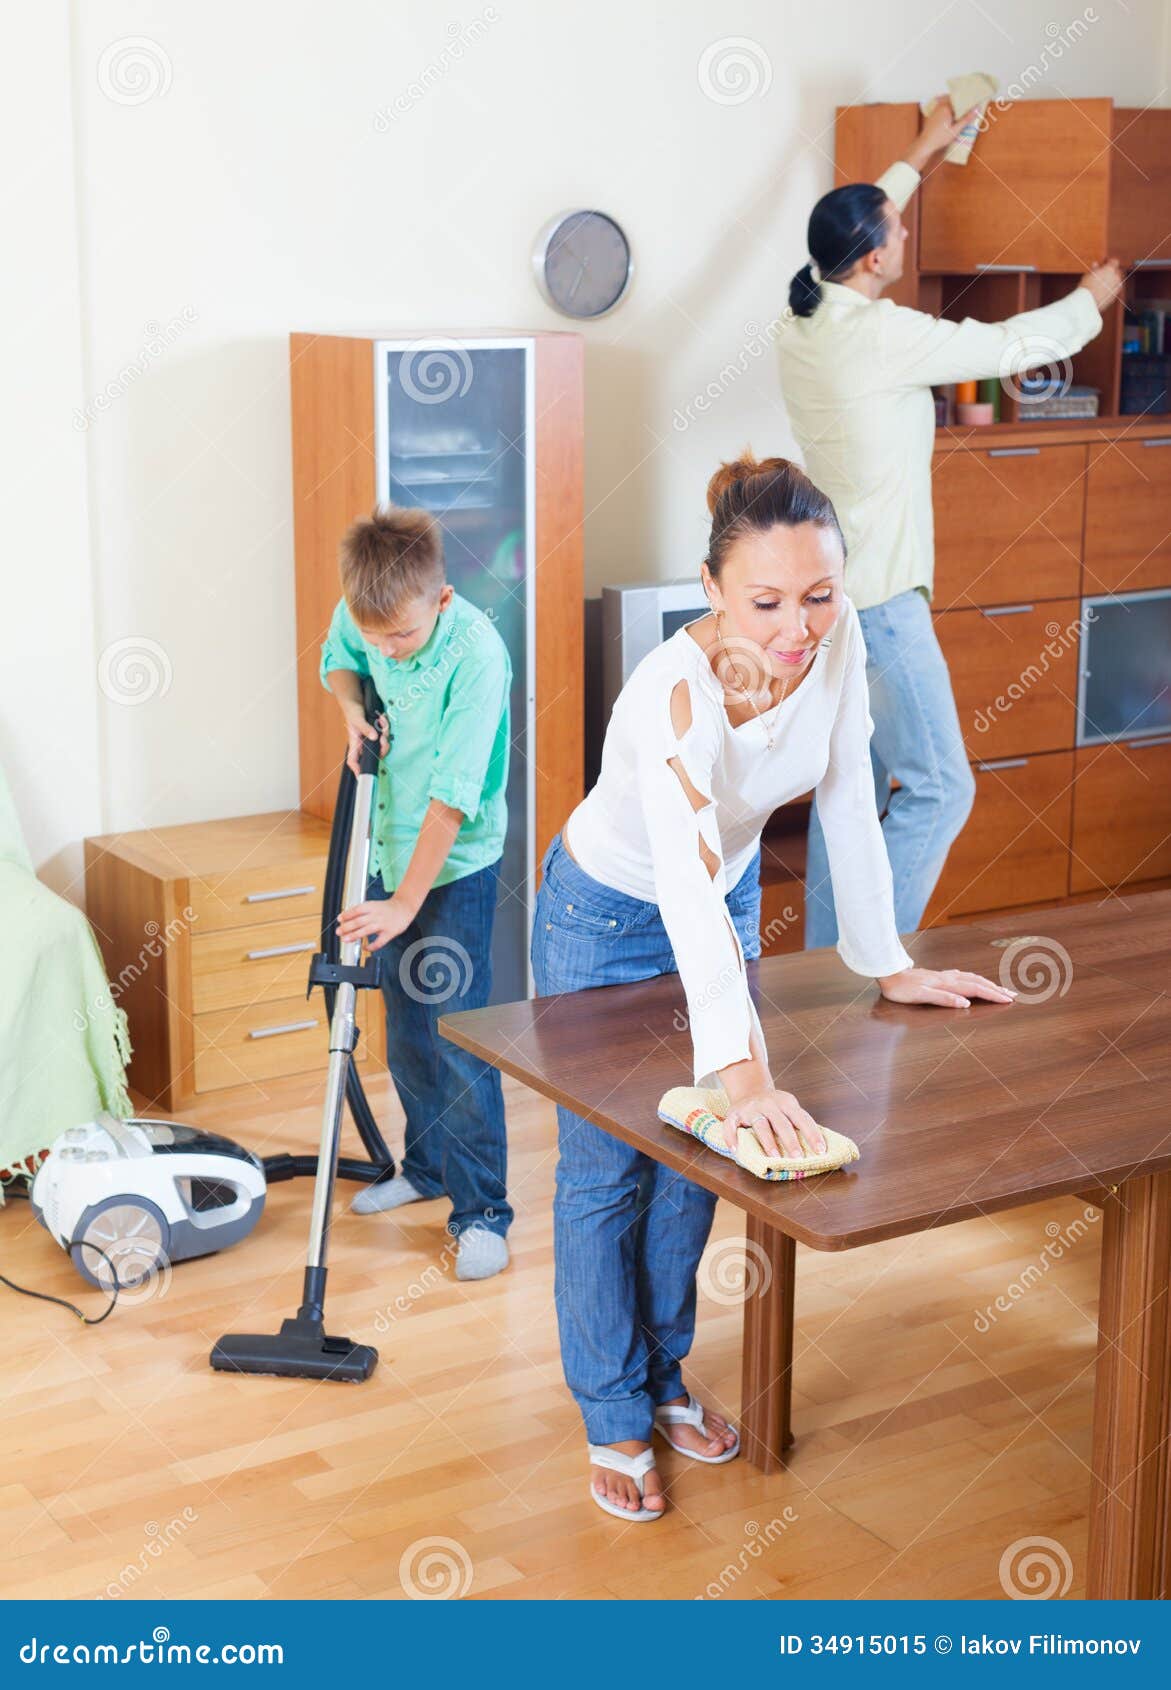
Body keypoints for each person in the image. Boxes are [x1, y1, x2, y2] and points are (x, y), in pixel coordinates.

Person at [531, 452, 1017, 1523]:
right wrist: (742, 1069)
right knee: (608, 1171)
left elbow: (848, 789)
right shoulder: (669, 694)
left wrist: (886, 958)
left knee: (702, 1161)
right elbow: (686, 893)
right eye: (764, 602)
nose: (795, 627)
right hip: (604, 915)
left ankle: (662, 1379)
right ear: (709, 590)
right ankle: (609, 1408)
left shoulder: (833, 646)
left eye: (818, 594)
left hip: (725, 895)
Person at [776, 97, 1124, 950]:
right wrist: (1089, 300)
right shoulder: (887, 336)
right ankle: (871, 955)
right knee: (939, 786)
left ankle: (826, 971)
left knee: (846, 787)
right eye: (895, 230)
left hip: (824, 603)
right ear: (871, 256)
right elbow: (1005, 346)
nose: (905, 236)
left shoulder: (801, 318)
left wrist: (924, 151)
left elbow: (862, 220)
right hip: (884, 599)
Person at [319, 504, 514, 1281]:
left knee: (455, 1038)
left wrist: (404, 904)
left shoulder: (478, 654)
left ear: (439, 599)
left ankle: (483, 1214)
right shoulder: (368, 609)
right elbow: (341, 660)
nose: (386, 651)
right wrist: (348, 709)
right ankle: (425, 1167)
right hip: (387, 840)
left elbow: (451, 799)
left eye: (400, 636)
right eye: (376, 637)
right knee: (404, 1028)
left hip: (451, 862)